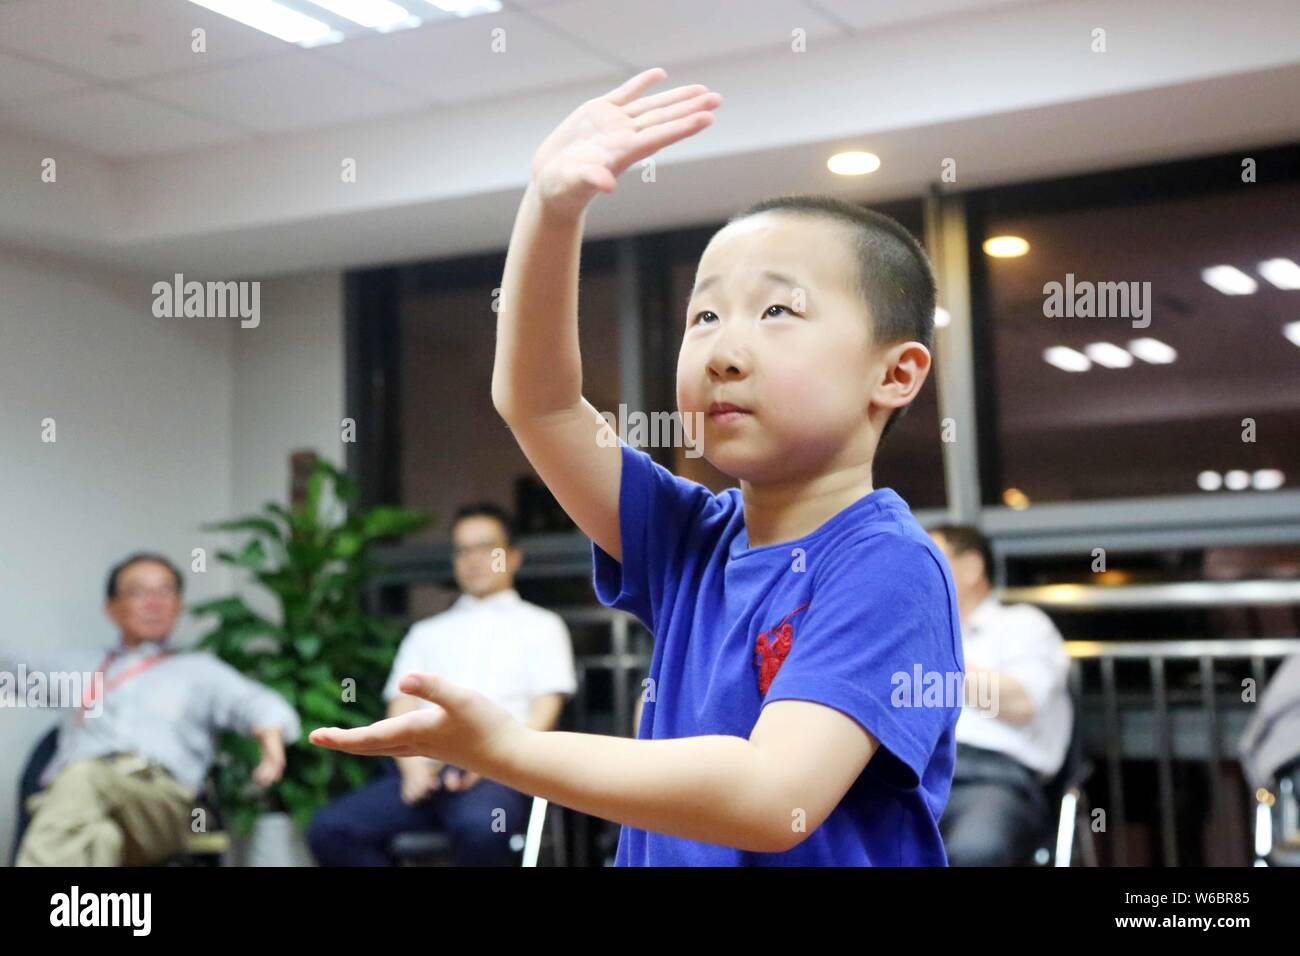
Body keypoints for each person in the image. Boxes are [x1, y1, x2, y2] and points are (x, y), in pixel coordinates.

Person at [312, 67, 963, 866]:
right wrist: (551, 209)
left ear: (894, 374)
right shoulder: (692, 536)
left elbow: (773, 797)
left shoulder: (889, 566)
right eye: (705, 314)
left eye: (777, 311)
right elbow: (541, 403)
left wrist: (508, 750)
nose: (724, 351)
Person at [307, 504, 577, 866]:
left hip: (497, 774)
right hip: (424, 771)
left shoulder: (543, 626)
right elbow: (400, 703)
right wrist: (411, 768)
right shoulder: (426, 632)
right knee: (329, 829)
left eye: (485, 548)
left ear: (512, 557)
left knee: (482, 828)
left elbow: (546, 709)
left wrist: (495, 761)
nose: (473, 559)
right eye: (463, 550)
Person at [10, 553, 299, 866]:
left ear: (178, 604)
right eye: (138, 592)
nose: (154, 603)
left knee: (84, 776)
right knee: (101, 838)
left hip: (163, 803)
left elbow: (260, 704)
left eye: (165, 592)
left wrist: (269, 735)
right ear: (112, 608)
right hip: (81, 804)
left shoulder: (200, 671)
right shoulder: (77, 669)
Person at [927, 525, 1072, 866]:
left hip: (994, 778)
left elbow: (1022, 704)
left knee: (974, 851)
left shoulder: (1023, 625)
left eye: (931, 558)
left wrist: (935, 654)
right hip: (920, 773)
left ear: (973, 567)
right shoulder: (919, 635)